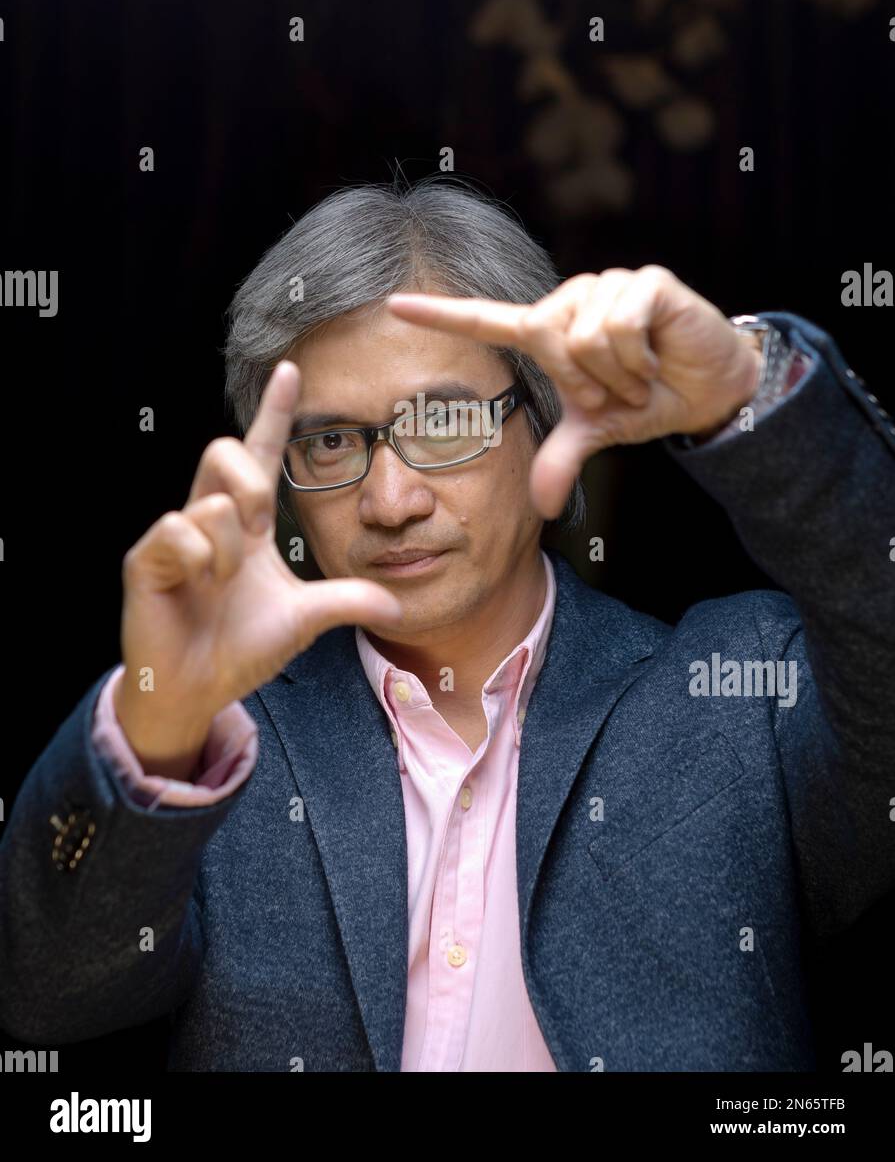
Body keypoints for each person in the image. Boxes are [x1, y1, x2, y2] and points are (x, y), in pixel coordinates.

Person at [1, 175, 893, 1072]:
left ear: (544, 422)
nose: (390, 501)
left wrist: (749, 390)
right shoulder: (220, 746)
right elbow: (49, 991)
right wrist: (162, 717)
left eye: (443, 420)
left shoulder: (735, 695)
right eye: (332, 442)